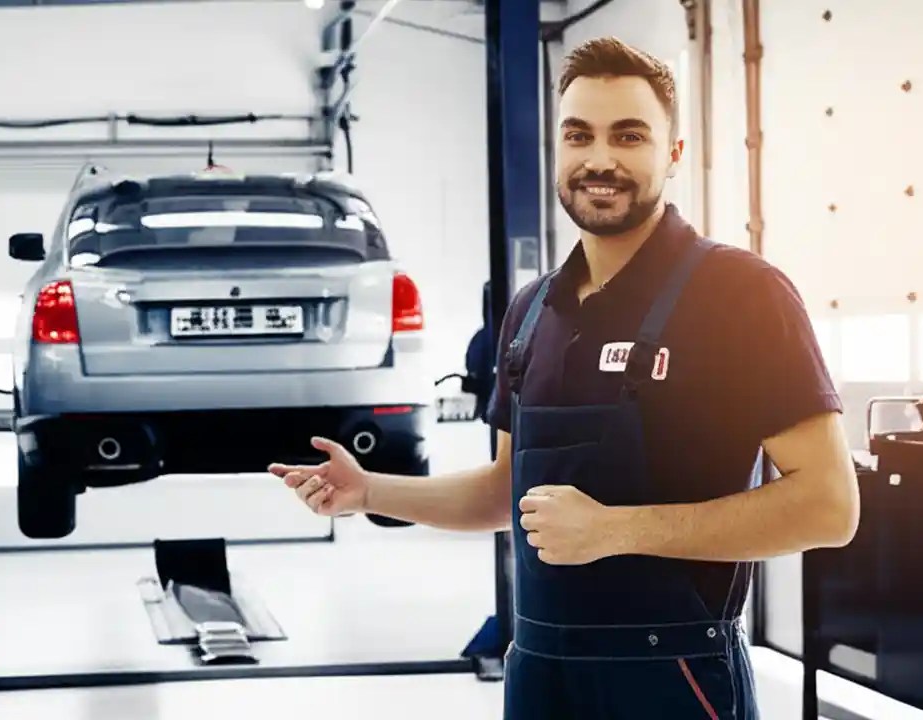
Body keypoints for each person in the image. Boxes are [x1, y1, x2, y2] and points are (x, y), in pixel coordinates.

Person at [269, 36, 859, 719]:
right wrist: (370, 492)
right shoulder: (530, 312)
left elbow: (829, 506)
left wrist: (615, 530)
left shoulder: (741, 294)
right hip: (541, 674)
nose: (599, 159)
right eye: (579, 134)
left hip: (677, 678)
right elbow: (502, 495)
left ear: (673, 154)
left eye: (629, 135)